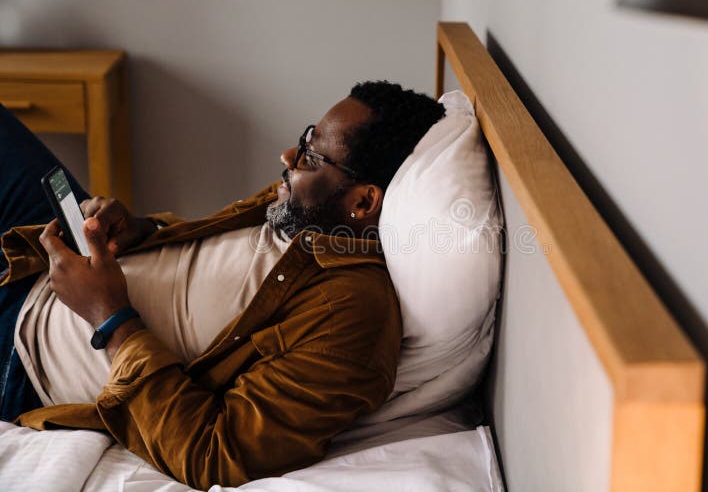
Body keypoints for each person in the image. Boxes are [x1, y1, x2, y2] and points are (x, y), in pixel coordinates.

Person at [0, 81, 446, 488]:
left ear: (363, 200)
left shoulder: (350, 317)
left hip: (22, 358)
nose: (288, 159)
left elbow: (214, 454)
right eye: (304, 141)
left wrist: (110, 318)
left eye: (312, 156)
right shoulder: (303, 211)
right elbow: (209, 266)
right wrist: (144, 232)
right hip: (37, 258)